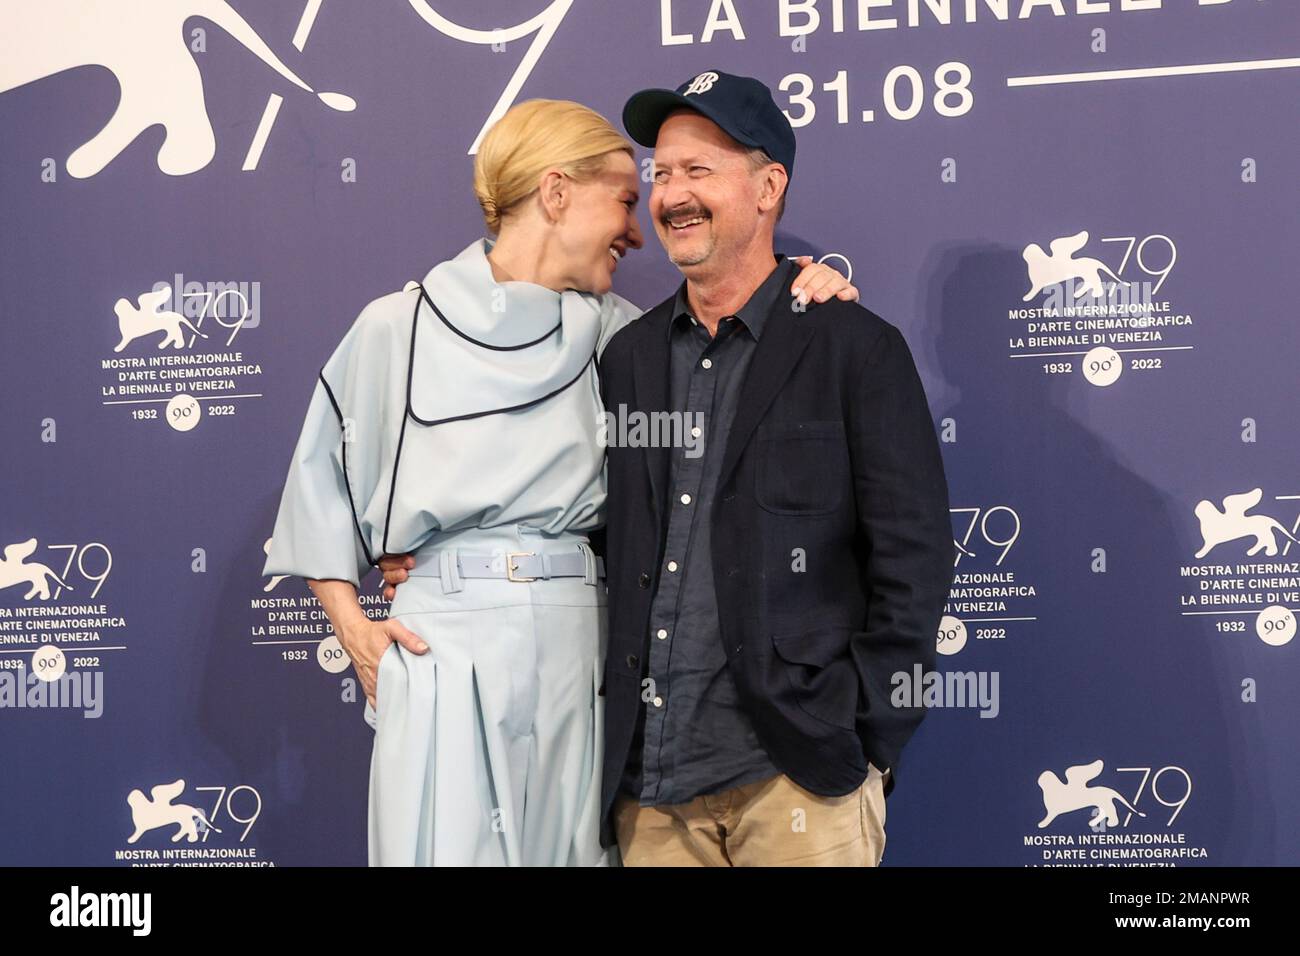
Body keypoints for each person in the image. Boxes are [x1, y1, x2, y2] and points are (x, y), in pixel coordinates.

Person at [263, 97, 858, 866]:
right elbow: (320, 488)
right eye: (622, 199)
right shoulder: (394, 328)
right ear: (554, 193)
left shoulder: (624, 338)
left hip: (587, 645)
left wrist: (808, 290)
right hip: (440, 645)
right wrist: (352, 627)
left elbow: (727, 379)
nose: (639, 229)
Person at [594, 70, 954, 866]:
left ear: (767, 187)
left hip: (798, 783)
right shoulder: (627, 359)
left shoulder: (853, 347)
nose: (671, 194)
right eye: (661, 174)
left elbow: (914, 560)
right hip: (650, 798)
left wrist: (866, 736)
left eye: (699, 170)